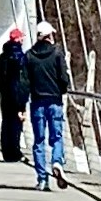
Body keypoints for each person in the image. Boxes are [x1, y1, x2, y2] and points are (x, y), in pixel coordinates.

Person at [25, 20, 70, 191]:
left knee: (39, 141)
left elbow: (25, 81)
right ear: (50, 36)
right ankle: (57, 161)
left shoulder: (29, 55)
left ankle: (42, 179)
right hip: (55, 101)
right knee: (57, 137)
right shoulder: (57, 53)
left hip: (37, 102)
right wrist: (62, 90)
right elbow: (64, 79)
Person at [0, 25, 30, 165]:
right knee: (16, 125)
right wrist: (23, 99)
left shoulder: (2, 57)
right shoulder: (20, 58)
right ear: (18, 40)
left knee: (6, 122)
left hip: (5, 95)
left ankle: (6, 152)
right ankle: (15, 152)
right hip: (16, 94)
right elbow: (23, 79)